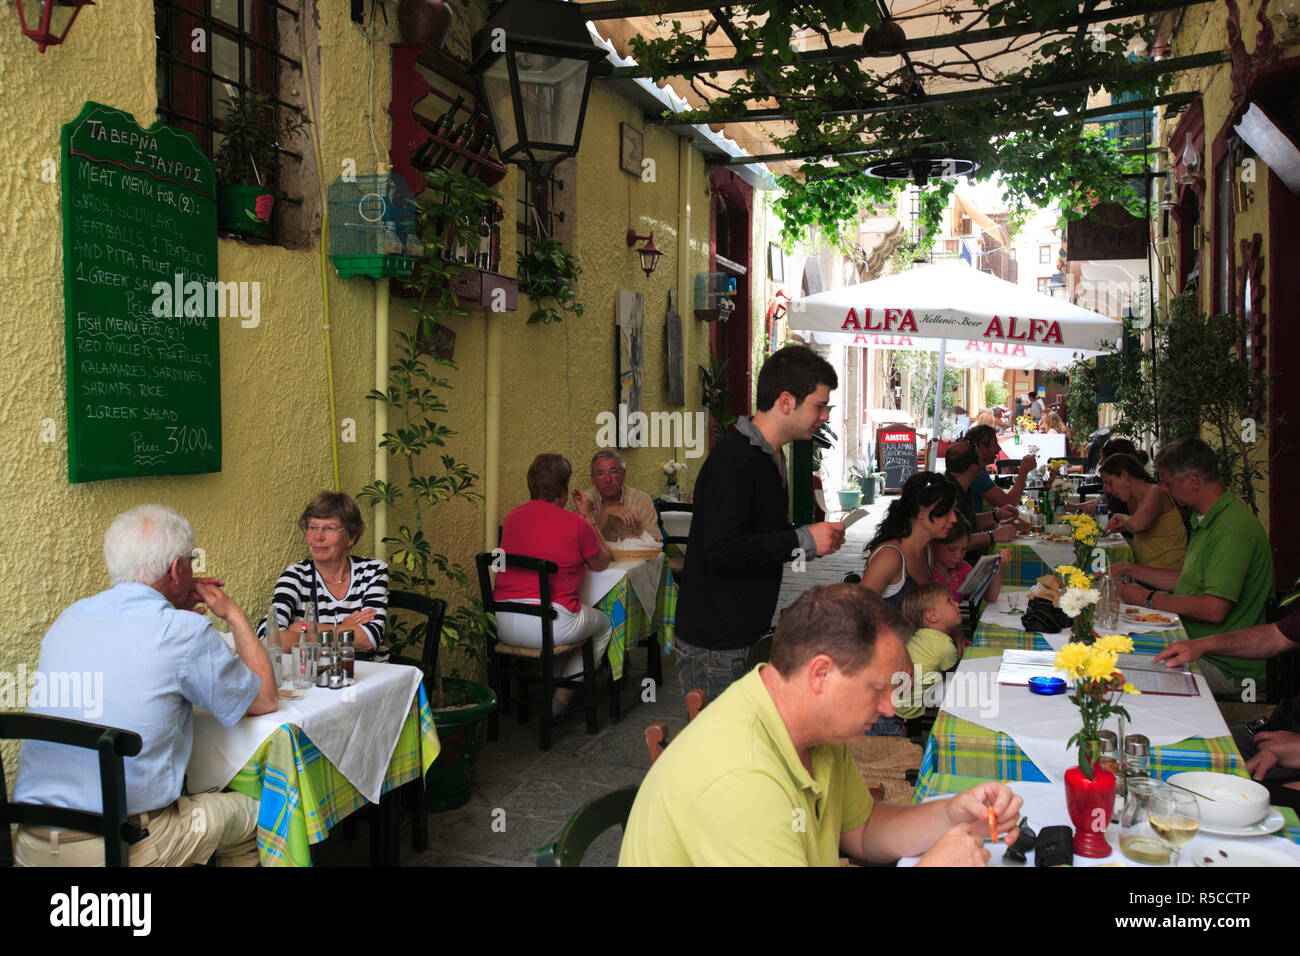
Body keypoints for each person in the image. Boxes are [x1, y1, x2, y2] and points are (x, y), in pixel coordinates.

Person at [618, 585, 1022, 866]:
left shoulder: (812, 726)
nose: (888, 708)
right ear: (820, 675)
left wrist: (951, 814)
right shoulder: (739, 778)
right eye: (878, 689)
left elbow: (862, 831)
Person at [12, 505, 277, 866]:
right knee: (257, 813)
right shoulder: (182, 633)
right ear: (176, 569)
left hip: (30, 843)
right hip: (123, 847)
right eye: (190, 562)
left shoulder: (68, 619)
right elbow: (263, 699)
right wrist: (233, 613)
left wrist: (171, 608)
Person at [674, 345, 846, 700]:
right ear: (786, 401)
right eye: (819, 405)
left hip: (742, 635)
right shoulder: (735, 460)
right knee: (722, 754)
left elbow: (759, 536)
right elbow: (722, 548)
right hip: (717, 645)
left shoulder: (771, 455)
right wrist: (802, 540)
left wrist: (811, 541)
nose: (825, 416)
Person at [1113, 438, 1274, 696]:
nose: (1164, 490)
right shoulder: (1210, 517)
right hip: (1194, 642)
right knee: (1114, 649)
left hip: (1226, 665)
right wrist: (1130, 569)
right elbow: (1189, 580)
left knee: (1121, 673)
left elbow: (1214, 609)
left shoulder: (1231, 529)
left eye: (1169, 484)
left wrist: (1149, 599)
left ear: (1193, 482)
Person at [495, 453, 614, 715]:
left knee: (571, 626)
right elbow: (602, 562)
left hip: (502, 620)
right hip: (547, 624)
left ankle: (552, 687)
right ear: (563, 490)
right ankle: (560, 700)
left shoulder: (513, 517)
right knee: (604, 625)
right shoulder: (576, 524)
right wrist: (588, 517)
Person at [1153, 607, 1300, 803]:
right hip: (1282, 727)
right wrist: (1202, 645)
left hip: (1289, 754)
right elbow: (1276, 635)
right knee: (1176, 749)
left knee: (1201, 794)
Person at [260, 491, 388, 659]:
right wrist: (342, 627)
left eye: (329, 528)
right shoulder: (296, 576)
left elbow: (368, 639)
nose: (318, 536)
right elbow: (268, 638)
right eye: (313, 527)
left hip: (367, 675)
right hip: (313, 676)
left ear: (351, 537)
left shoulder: (372, 571)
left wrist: (306, 628)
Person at [860, 472, 957, 611]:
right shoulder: (890, 557)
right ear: (920, 512)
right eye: (946, 511)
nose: (954, 519)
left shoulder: (926, 551)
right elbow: (857, 611)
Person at [879, 582, 965, 735]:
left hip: (883, 703)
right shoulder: (943, 646)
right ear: (932, 616)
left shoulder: (922, 636)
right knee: (899, 754)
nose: (956, 603)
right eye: (949, 601)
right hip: (894, 714)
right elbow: (960, 675)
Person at [1098, 453, 1187, 569]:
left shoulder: (1155, 492)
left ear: (1125, 475)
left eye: (1110, 482)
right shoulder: (1134, 499)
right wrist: (1125, 525)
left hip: (1168, 573)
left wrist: (1121, 518)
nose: (1107, 490)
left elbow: (1137, 525)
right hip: (1147, 571)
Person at [943, 439, 1019, 561]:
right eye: (980, 462)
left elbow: (968, 522)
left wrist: (996, 515)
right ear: (973, 468)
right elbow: (954, 541)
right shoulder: (949, 495)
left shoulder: (955, 485)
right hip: (961, 567)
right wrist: (993, 536)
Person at [575, 450, 661, 543]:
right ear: (593, 479)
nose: (607, 479)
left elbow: (655, 540)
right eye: (601, 474)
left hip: (633, 557)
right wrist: (606, 513)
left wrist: (638, 544)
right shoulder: (584, 501)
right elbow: (579, 541)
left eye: (613, 472)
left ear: (623, 475)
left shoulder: (641, 499)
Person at [932, 515, 1011, 605]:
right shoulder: (925, 571)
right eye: (952, 550)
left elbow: (990, 597)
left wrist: (997, 567)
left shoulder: (962, 568)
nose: (958, 556)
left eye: (963, 549)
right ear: (934, 545)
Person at [964, 423, 1036, 516]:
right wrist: (1023, 471)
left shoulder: (976, 468)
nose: (999, 448)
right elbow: (1009, 503)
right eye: (995, 444)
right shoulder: (975, 473)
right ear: (982, 448)